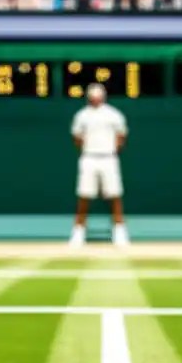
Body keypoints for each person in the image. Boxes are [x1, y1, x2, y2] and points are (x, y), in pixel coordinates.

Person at [69, 83, 129, 247]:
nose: (95, 99)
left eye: (98, 96)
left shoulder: (113, 115)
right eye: (93, 96)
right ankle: (78, 232)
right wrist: (88, 149)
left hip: (109, 158)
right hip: (89, 158)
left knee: (114, 194)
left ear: (103, 97)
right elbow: (76, 137)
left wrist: (113, 149)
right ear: (89, 97)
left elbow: (121, 135)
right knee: (84, 195)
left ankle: (120, 231)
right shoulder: (82, 116)